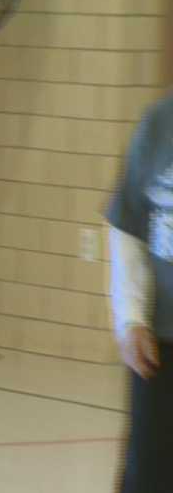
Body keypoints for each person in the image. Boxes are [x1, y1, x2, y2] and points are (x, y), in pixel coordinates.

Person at [107, 92, 173, 493]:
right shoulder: (158, 124)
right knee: (147, 475)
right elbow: (129, 228)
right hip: (161, 345)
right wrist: (131, 319)